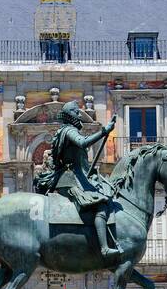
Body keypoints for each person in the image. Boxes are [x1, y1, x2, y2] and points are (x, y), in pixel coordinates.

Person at [43, 101, 121, 261]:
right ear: (71, 115)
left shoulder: (62, 132)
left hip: (72, 176)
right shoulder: (69, 131)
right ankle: (105, 248)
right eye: (77, 113)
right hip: (71, 179)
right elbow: (83, 142)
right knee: (100, 204)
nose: (80, 115)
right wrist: (103, 131)